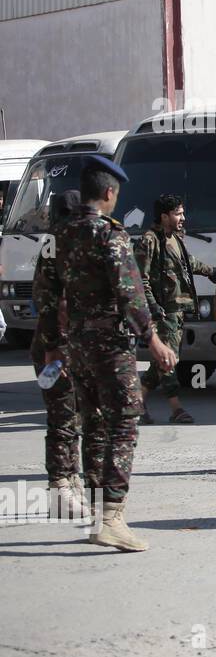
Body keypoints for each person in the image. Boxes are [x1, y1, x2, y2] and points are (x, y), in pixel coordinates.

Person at [33, 156, 177, 552]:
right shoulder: (109, 235)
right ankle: (112, 515)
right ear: (110, 193)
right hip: (111, 347)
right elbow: (129, 293)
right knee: (125, 422)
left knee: (94, 425)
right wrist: (153, 340)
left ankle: (100, 516)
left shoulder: (59, 236)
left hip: (76, 347)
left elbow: (47, 299)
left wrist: (51, 348)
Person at [31, 189, 88, 518]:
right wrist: (55, 347)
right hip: (55, 347)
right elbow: (48, 302)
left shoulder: (68, 245)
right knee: (62, 417)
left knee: (75, 416)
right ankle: (60, 486)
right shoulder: (55, 246)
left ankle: (73, 478)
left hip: (73, 345)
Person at [135, 193, 216, 425]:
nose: (182, 218)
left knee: (164, 359)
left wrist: (211, 272)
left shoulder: (175, 238)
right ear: (164, 216)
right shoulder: (150, 241)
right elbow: (141, 279)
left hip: (178, 310)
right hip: (163, 310)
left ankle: (137, 404)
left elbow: (187, 262)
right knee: (168, 360)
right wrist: (152, 306)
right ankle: (176, 408)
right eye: (178, 213)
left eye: (182, 213)